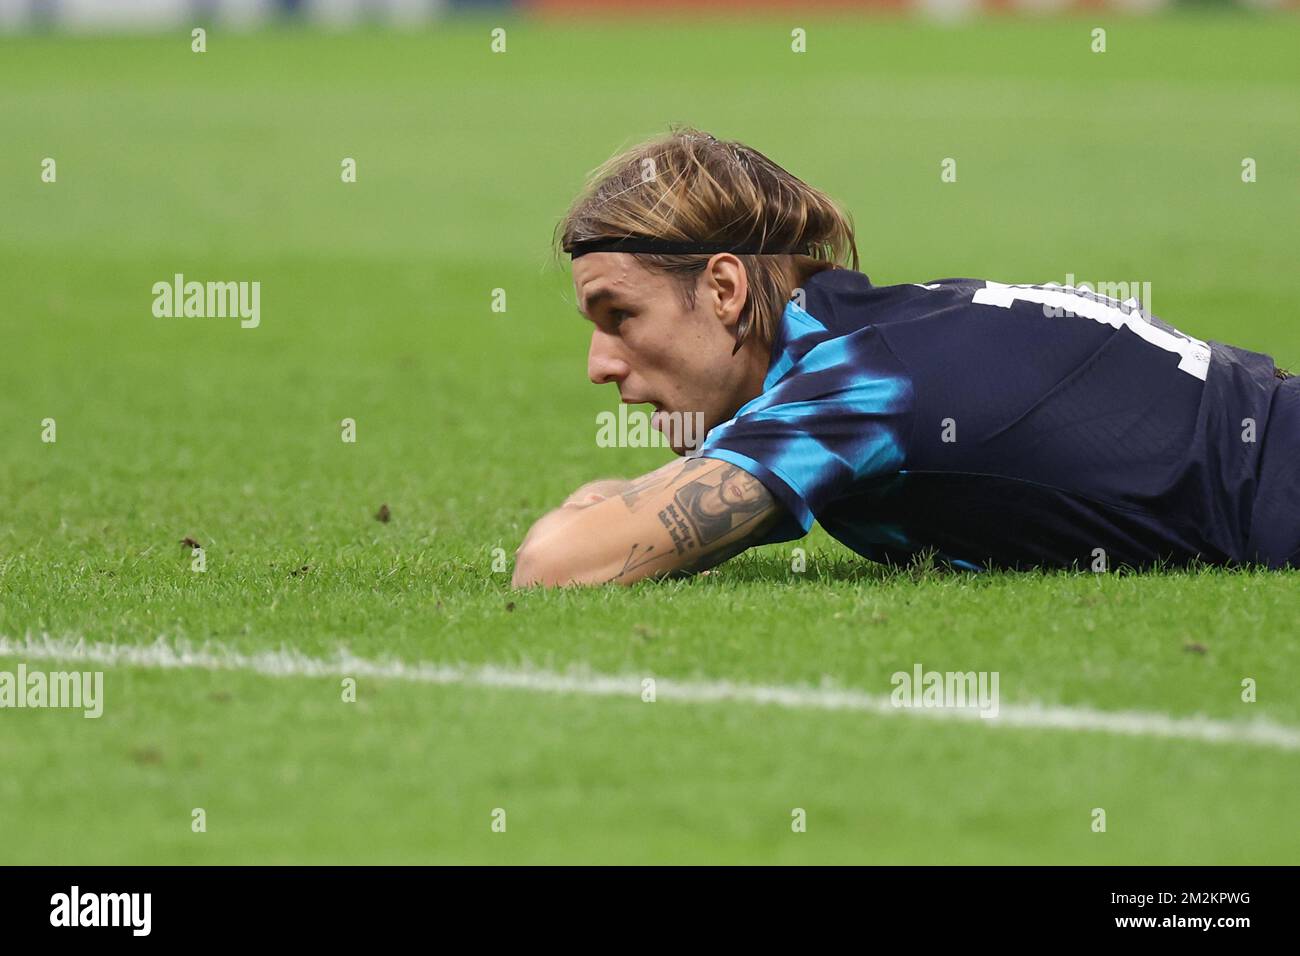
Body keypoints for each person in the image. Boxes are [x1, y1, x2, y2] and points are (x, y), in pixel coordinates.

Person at [512, 127, 1299, 587]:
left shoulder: (856, 389)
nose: (600, 364)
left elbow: (555, 564)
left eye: (621, 315)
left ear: (724, 289)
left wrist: (620, 508)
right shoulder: (870, 336)